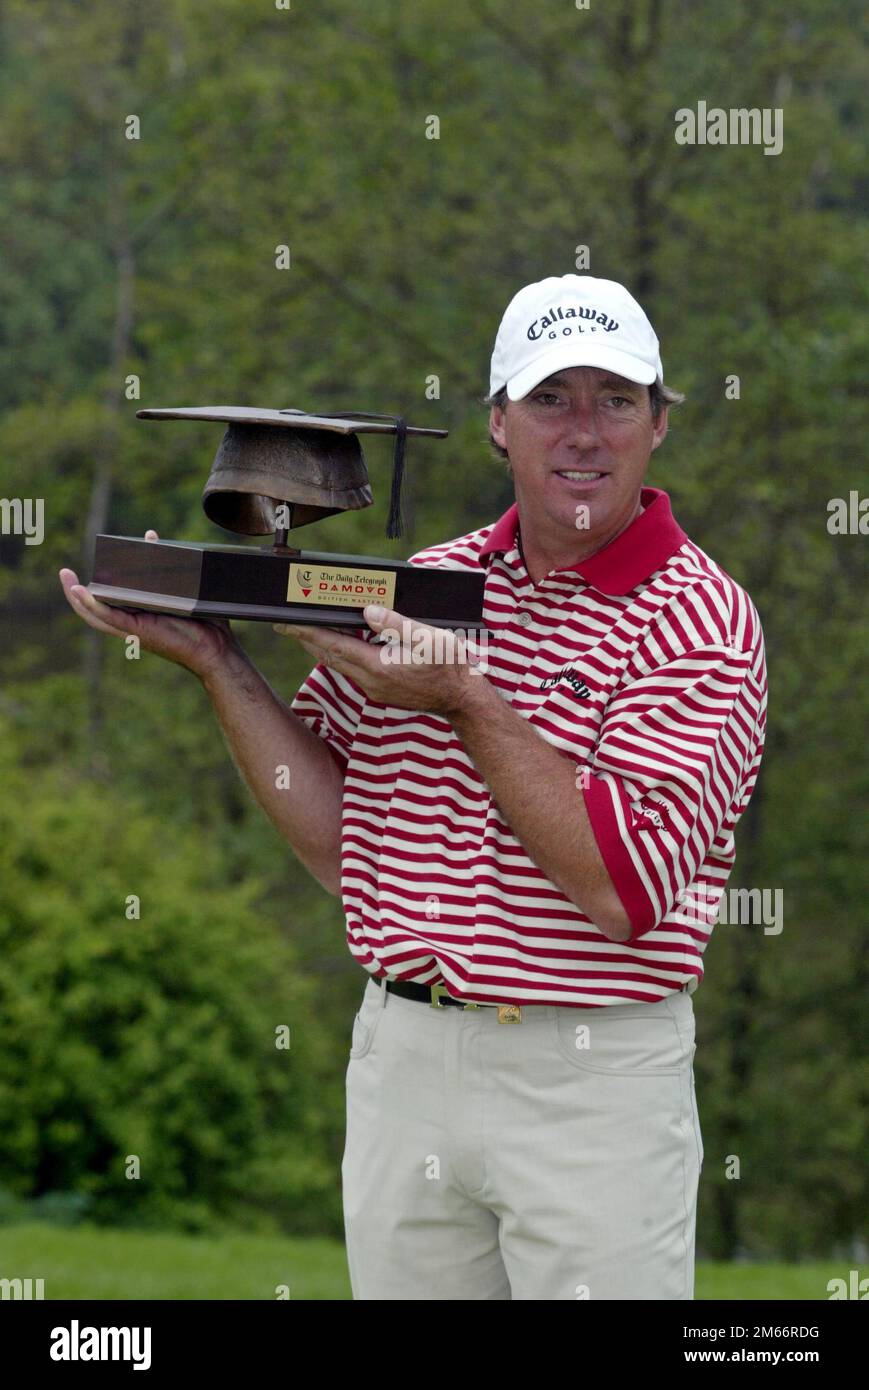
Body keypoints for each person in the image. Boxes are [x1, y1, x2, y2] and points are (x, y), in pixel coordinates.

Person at [60, 273, 768, 1301]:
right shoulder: (427, 581)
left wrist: (467, 701)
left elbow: (618, 891)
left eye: (613, 400)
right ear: (496, 423)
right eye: (549, 399)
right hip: (402, 1053)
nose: (581, 432)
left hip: (587, 1076)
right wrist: (219, 662)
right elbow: (342, 843)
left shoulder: (697, 623)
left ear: (657, 423)